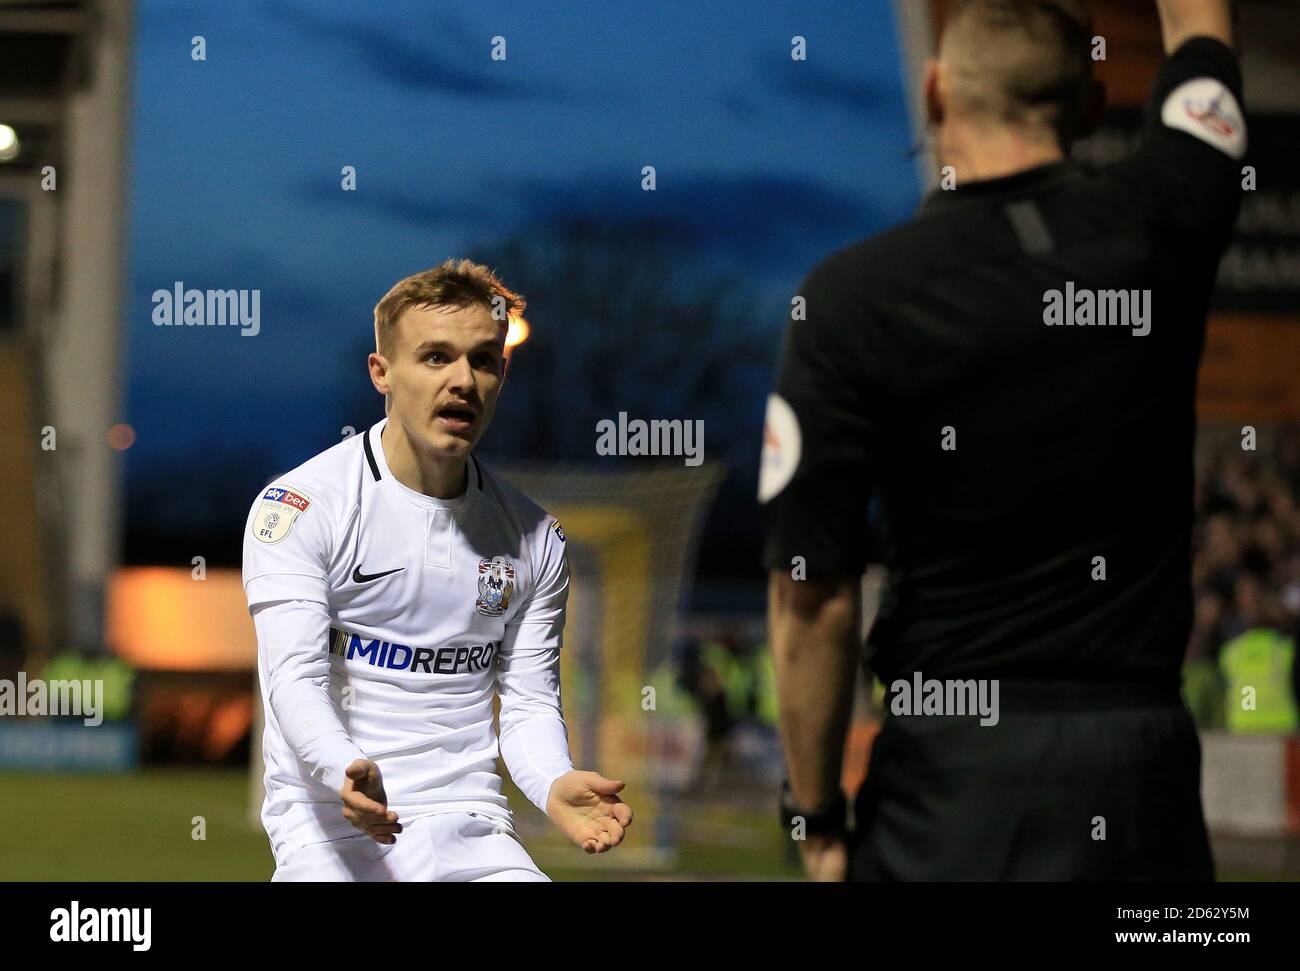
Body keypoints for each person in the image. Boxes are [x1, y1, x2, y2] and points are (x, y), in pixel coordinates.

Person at [763, 0, 1244, 880]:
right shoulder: (1166, 220)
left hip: (949, 798)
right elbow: (1203, 35)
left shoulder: (849, 298)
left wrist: (816, 816)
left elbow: (811, 601)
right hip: (1146, 788)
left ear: (937, 90)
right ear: (1092, 107)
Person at [242, 259, 632, 881]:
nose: (463, 381)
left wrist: (554, 781)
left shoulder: (534, 536)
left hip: (467, 824)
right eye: (435, 358)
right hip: (329, 823)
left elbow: (529, 702)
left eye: (482, 360)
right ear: (382, 373)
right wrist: (345, 765)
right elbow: (294, 680)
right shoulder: (302, 508)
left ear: (502, 373)